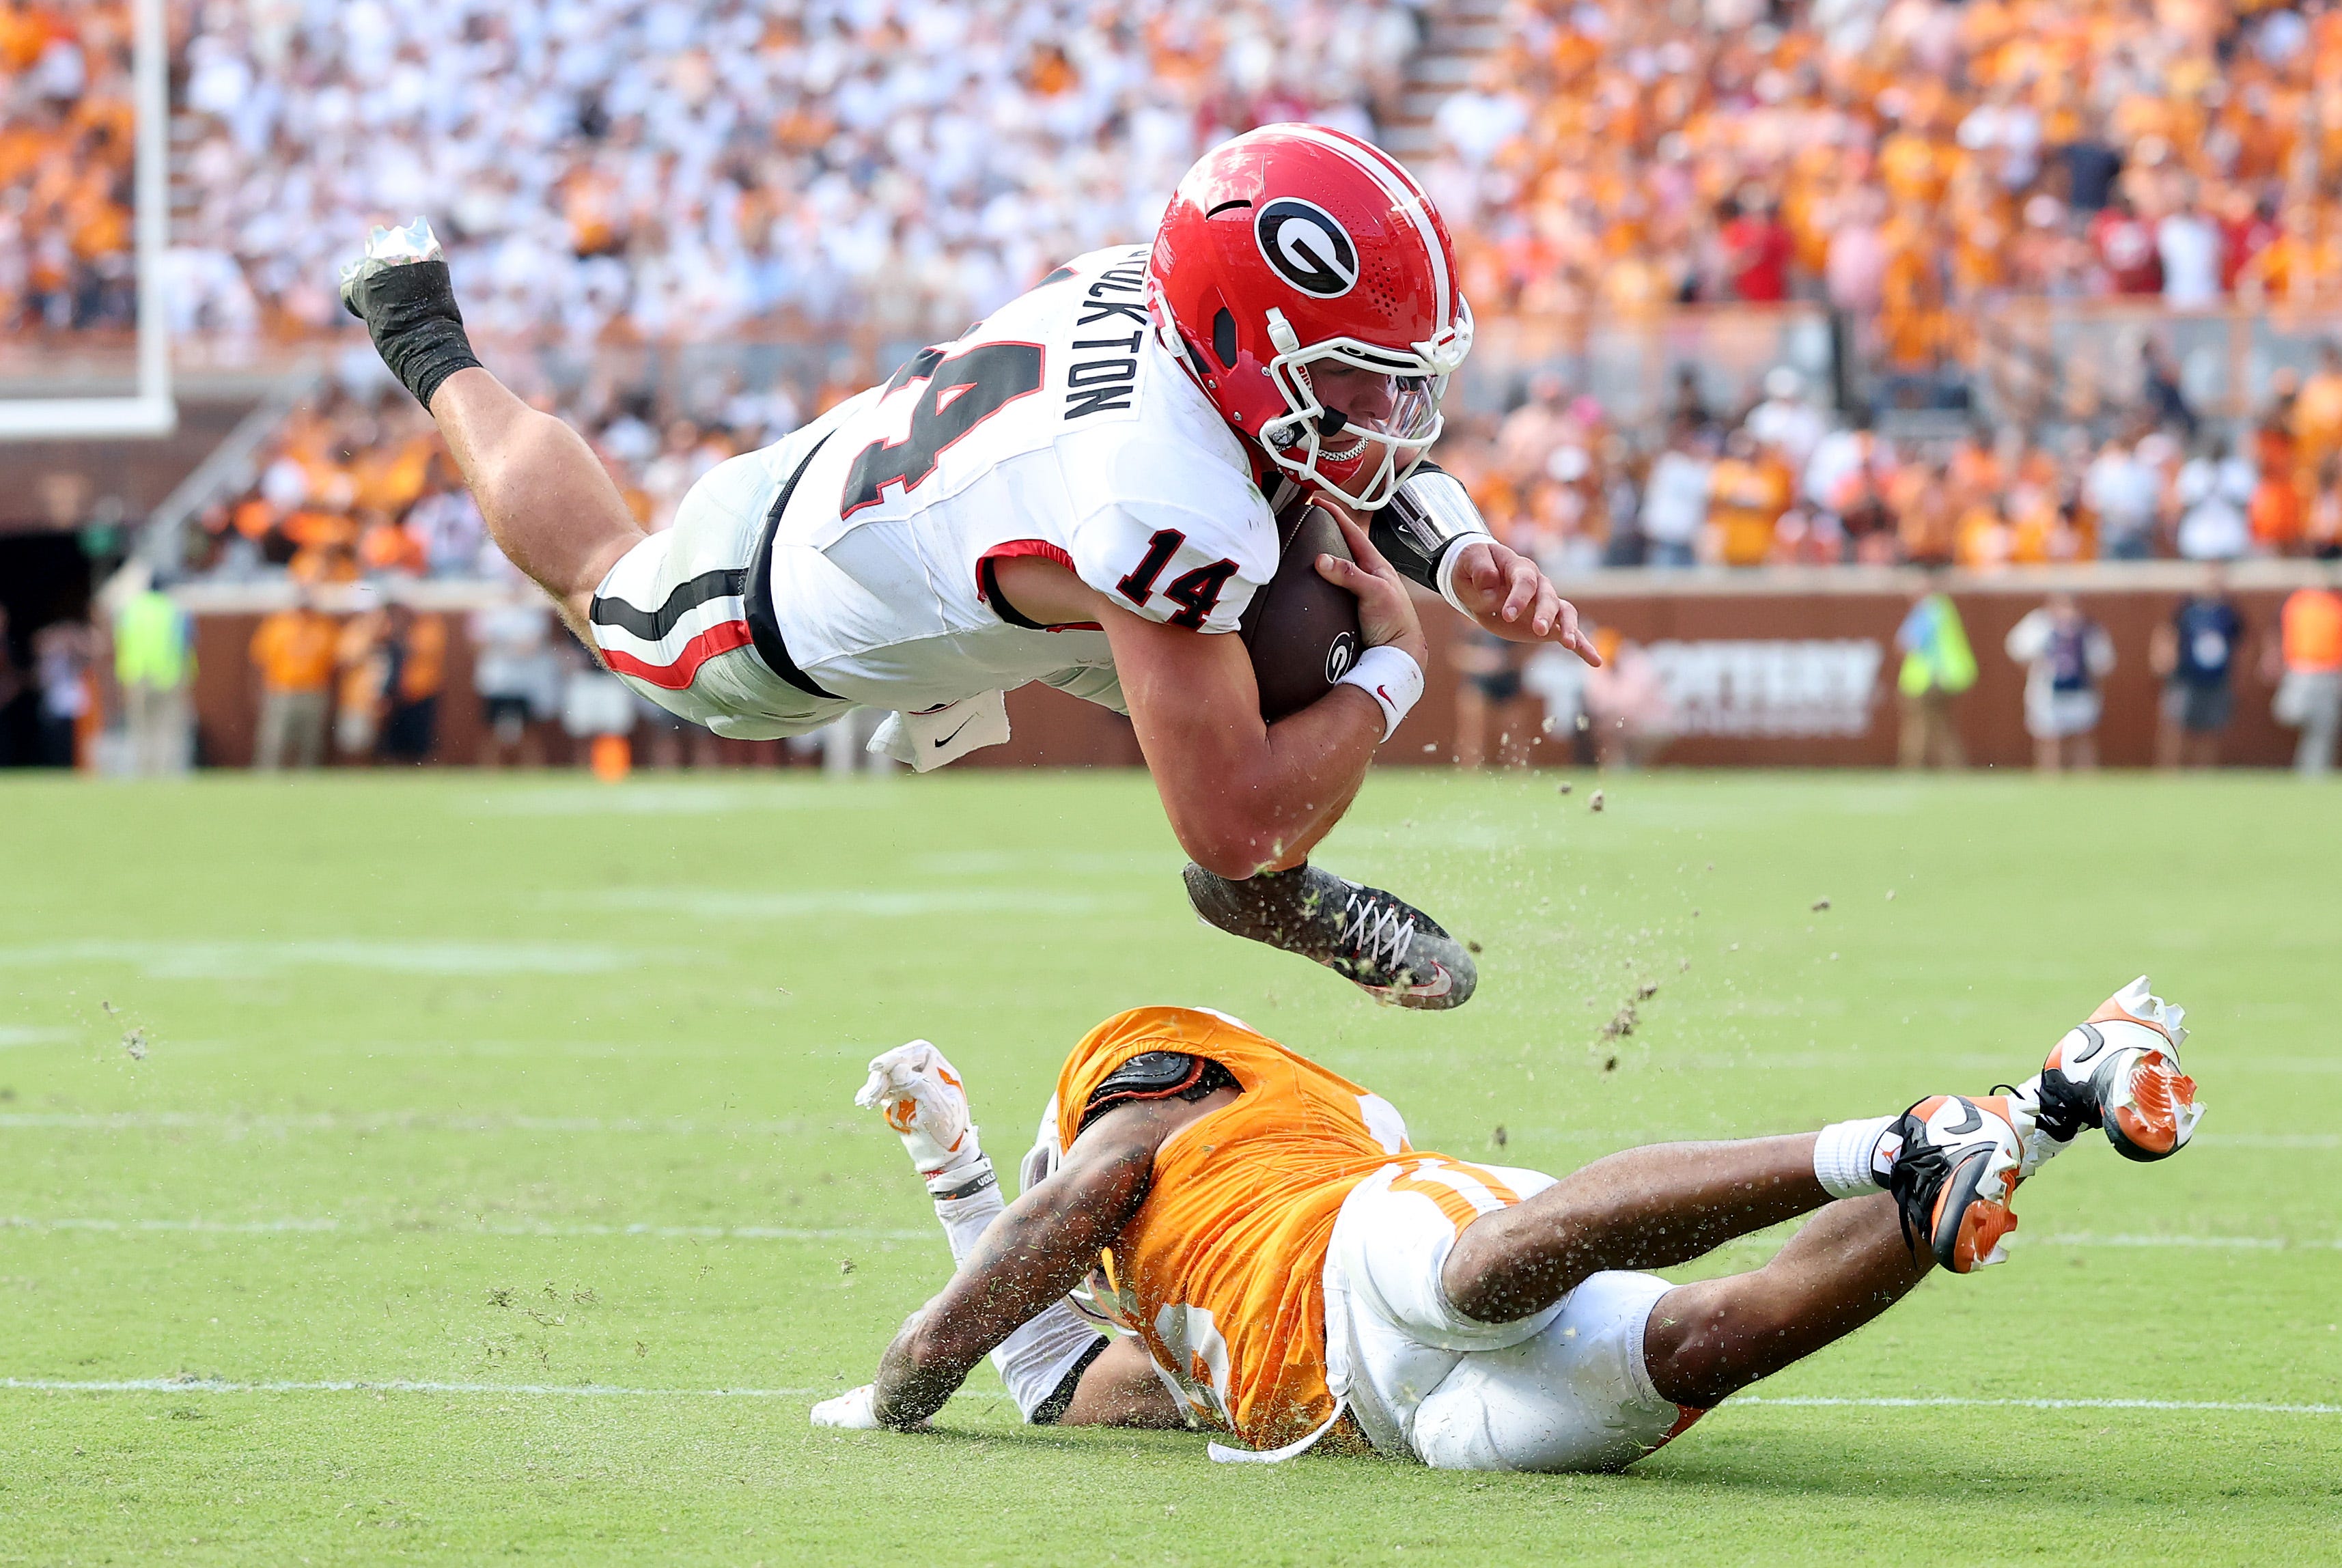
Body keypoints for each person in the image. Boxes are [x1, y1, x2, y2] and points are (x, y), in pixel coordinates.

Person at [339, 127, 1599, 1011]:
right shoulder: (1154, 494)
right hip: (784, 586)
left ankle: (1257, 891)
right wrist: (1393, 671)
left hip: (999, 532)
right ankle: (424, 334)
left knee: (1302, 604)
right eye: (1356, 374)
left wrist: (1456, 551)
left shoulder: (1163, 296)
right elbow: (1232, 818)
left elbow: (1317, 449)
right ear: (1236, 334)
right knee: (602, 582)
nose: (1390, 409)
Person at [811, 984, 2201, 1470]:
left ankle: (1886, 1143)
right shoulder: (1168, 1327)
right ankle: (2043, 1103)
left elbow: (1066, 1215)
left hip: (1351, 1238)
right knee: (1706, 1341)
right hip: (1388, 1416)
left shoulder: (1147, 1096)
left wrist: (900, 1382)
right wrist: (948, 1166)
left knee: (1476, 1273)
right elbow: (1047, 1380)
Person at [2005, 592, 2115, 773]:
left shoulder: (2088, 628)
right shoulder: (2039, 625)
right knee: (2050, 739)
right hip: (2048, 691)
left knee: (2082, 737)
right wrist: (2035, 669)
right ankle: (2049, 778)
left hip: (2080, 690)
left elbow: (2103, 663)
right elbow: (2017, 649)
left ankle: (2086, 779)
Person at [2149, 568, 2244, 769]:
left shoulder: (2229, 611)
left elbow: (2241, 640)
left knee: (2210, 731)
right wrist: (2162, 658)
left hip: (2216, 681)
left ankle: (2202, 775)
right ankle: (2169, 774)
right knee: (2175, 727)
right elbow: (2167, 632)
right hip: (2185, 678)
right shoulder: (2186, 607)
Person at [111, 570, 196, 776]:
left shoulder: (131, 610)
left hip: (137, 676)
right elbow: (187, 642)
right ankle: (165, 772)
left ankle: (144, 771)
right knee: (168, 727)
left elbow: (120, 641)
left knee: (141, 727)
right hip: (169, 676)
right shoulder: (174, 610)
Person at [248, 588, 338, 770]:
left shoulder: (325, 627)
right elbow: (260, 662)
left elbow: (335, 663)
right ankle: (267, 778)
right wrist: (259, 692)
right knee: (274, 741)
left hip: (314, 691)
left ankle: (307, 780)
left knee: (310, 742)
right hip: (282, 691)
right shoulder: (277, 626)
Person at [2265, 577, 2342, 777]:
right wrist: (2273, 658)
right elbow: (2276, 629)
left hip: (2330, 670)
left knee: (2323, 728)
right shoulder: (2296, 602)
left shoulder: (2336, 604)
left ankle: (2313, 774)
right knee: (2291, 712)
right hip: (2301, 668)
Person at [1893, 583, 1975, 768]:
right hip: (1948, 679)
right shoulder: (1945, 610)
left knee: (1918, 727)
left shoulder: (1928, 611)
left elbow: (1905, 643)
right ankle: (1954, 769)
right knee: (1942, 728)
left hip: (1926, 682)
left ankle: (1912, 768)